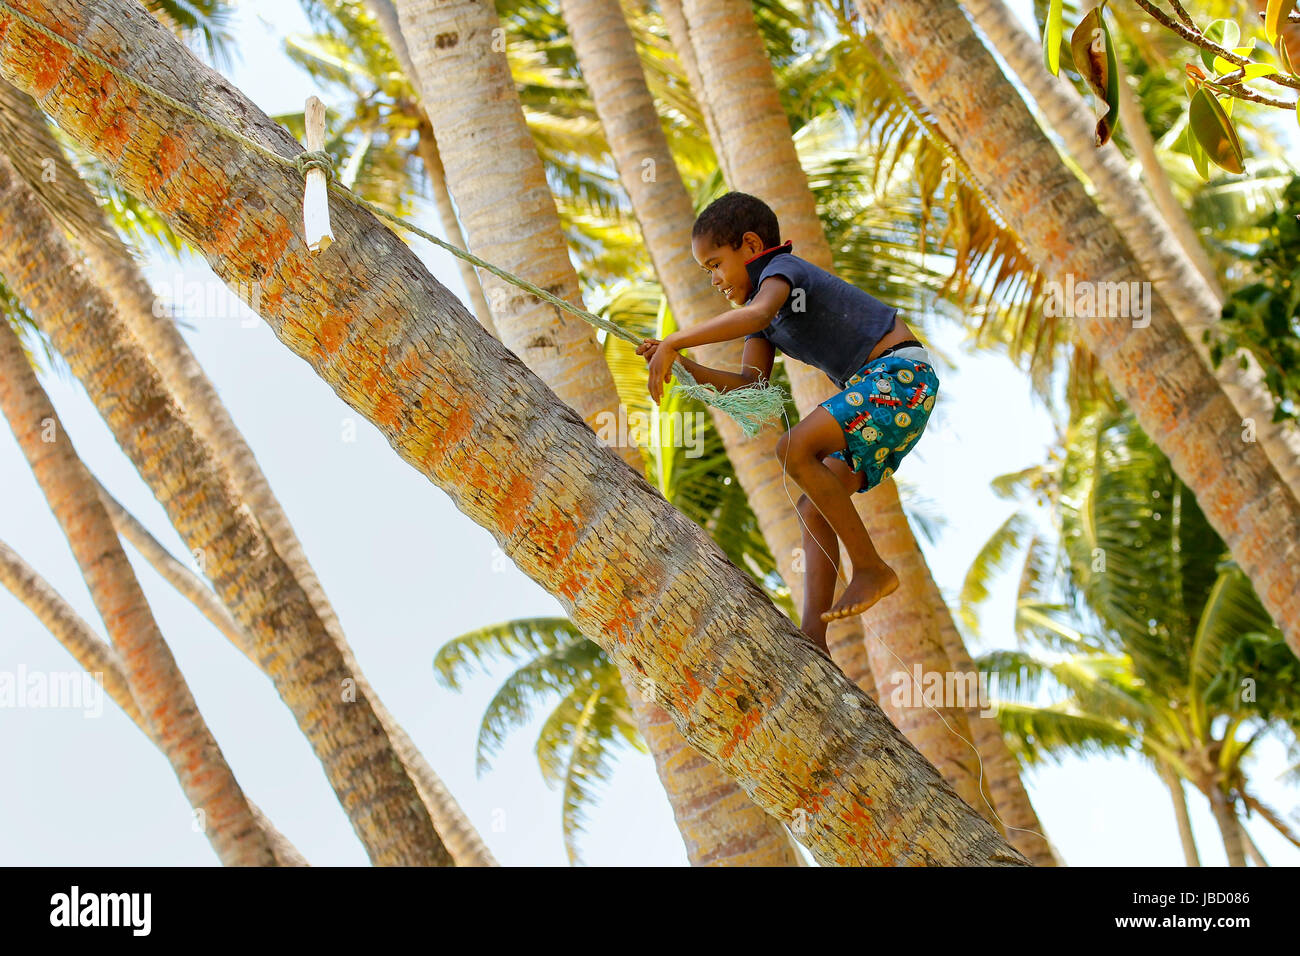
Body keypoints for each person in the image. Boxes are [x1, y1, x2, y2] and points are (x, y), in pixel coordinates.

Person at [637, 192, 940, 658]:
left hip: (899, 377)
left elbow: (756, 313)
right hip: (889, 398)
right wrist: (681, 364)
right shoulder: (764, 318)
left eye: (715, 264)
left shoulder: (783, 272)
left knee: (792, 448)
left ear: (752, 245)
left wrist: (676, 340)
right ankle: (814, 640)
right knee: (813, 504)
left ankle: (870, 567)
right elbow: (749, 385)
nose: (715, 280)